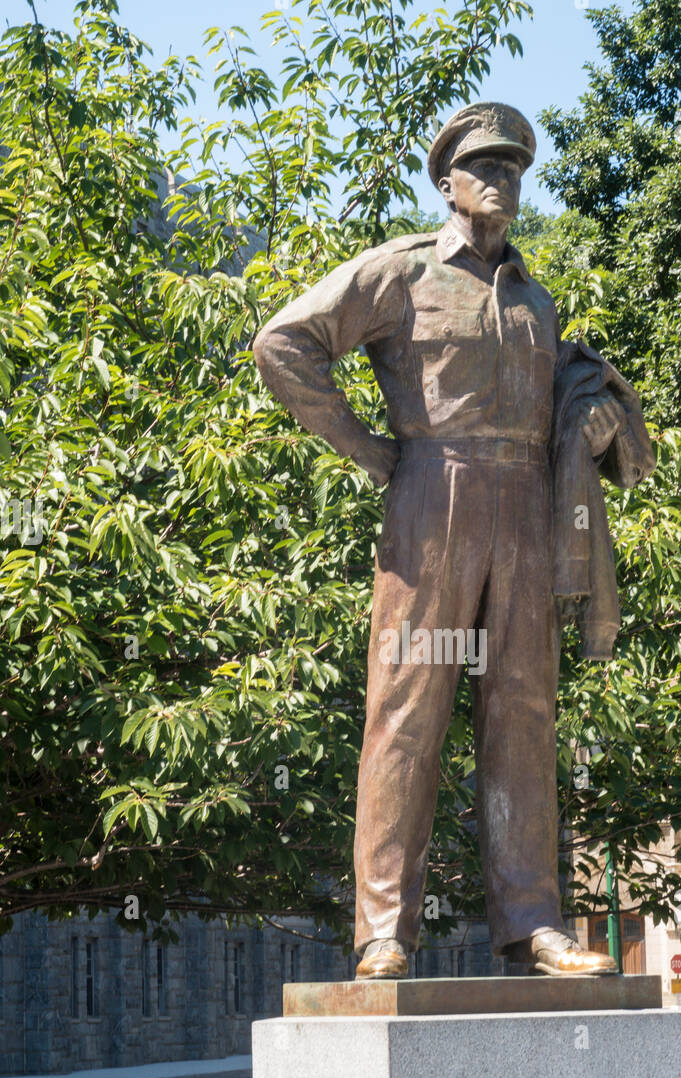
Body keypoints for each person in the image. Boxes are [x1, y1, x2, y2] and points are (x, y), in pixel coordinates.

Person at [254, 102, 624, 979]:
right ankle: (383, 930)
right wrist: (370, 451)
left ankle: (534, 924)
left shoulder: (537, 299)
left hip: (525, 513)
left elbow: (563, 405)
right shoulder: (401, 274)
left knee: (527, 718)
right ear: (447, 182)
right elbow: (283, 344)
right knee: (407, 714)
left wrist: (595, 423)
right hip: (432, 500)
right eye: (485, 167)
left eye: (515, 169)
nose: (502, 181)